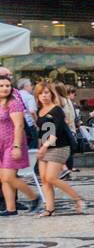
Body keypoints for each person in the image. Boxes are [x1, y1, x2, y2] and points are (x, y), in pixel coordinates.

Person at [32, 81, 84, 216]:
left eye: (46, 92)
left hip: (59, 147)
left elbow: (57, 131)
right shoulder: (40, 111)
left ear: (51, 94)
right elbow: (41, 132)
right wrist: (40, 147)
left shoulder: (57, 110)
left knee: (51, 178)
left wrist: (44, 147)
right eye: (40, 93)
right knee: (44, 179)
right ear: (37, 96)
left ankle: (77, 199)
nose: (43, 96)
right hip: (44, 147)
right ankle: (49, 209)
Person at [0, 74, 39, 215]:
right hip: (0, 144)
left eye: (7, 85)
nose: (5, 88)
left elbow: (19, 125)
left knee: (9, 177)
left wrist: (17, 147)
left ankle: (34, 198)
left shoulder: (13, 102)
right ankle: (11, 209)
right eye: (1, 86)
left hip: (12, 143)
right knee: (3, 178)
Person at [15, 77, 38, 149]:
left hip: (18, 124)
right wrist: (36, 122)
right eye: (31, 85)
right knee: (33, 142)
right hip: (29, 124)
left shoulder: (15, 96)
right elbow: (32, 111)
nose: (32, 87)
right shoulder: (29, 97)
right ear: (26, 86)